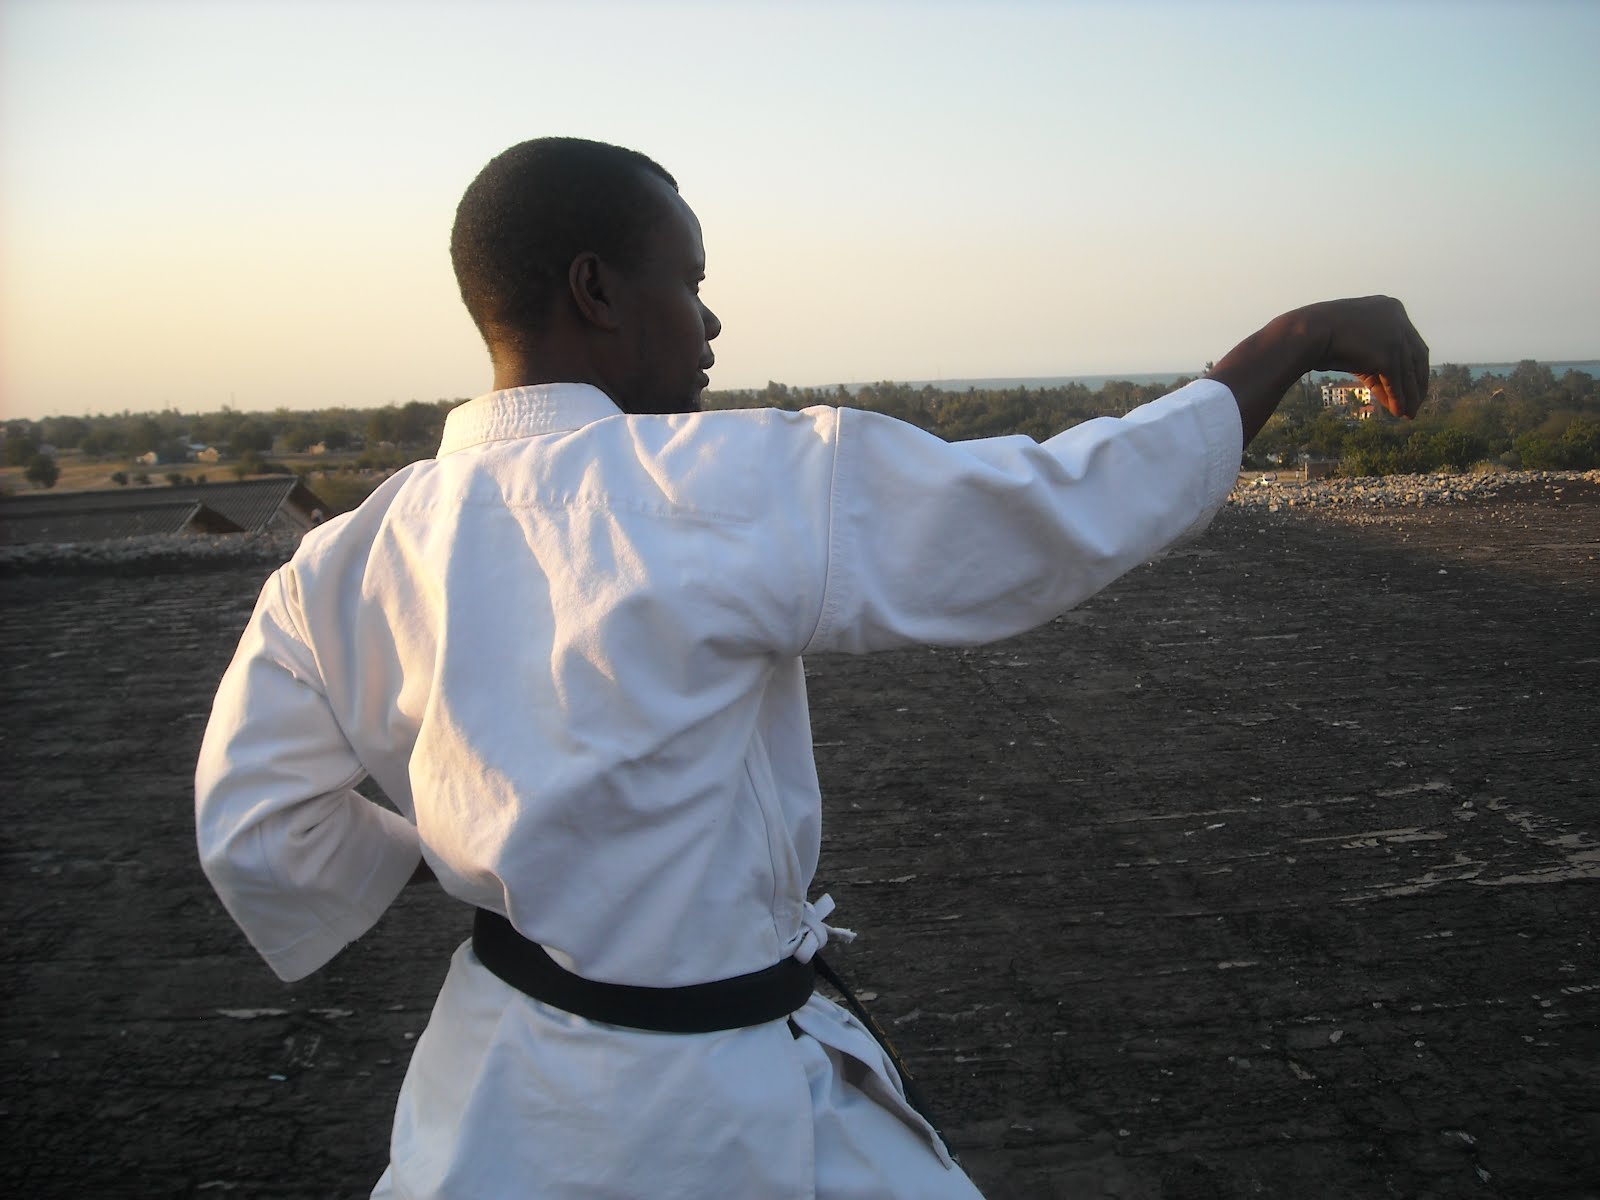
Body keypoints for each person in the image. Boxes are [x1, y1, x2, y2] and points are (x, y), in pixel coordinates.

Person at [195, 136, 1428, 1198]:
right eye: (689, 280)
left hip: (489, 1110)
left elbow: (257, 834)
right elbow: (1054, 505)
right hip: (725, 1112)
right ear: (596, 289)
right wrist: (1293, 340)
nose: (711, 321)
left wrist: (481, 833)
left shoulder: (339, 562)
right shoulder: (721, 482)